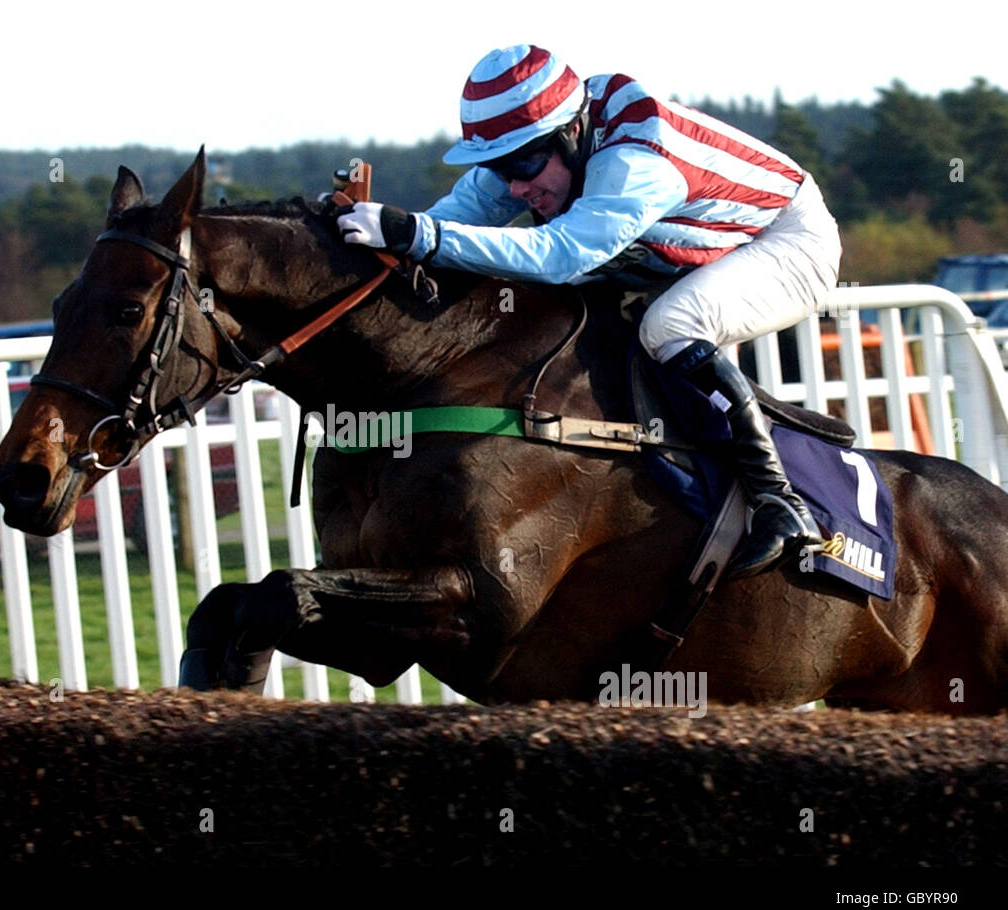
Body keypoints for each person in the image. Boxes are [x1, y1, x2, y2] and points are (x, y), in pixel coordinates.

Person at [336, 44, 841, 578]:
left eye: (525, 164)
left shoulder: (636, 162)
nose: (515, 186)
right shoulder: (543, 143)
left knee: (670, 324)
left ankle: (779, 500)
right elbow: (445, 222)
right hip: (681, 245)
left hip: (788, 240)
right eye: (498, 168)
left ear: (572, 132)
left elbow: (559, 254)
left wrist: (420, 235)